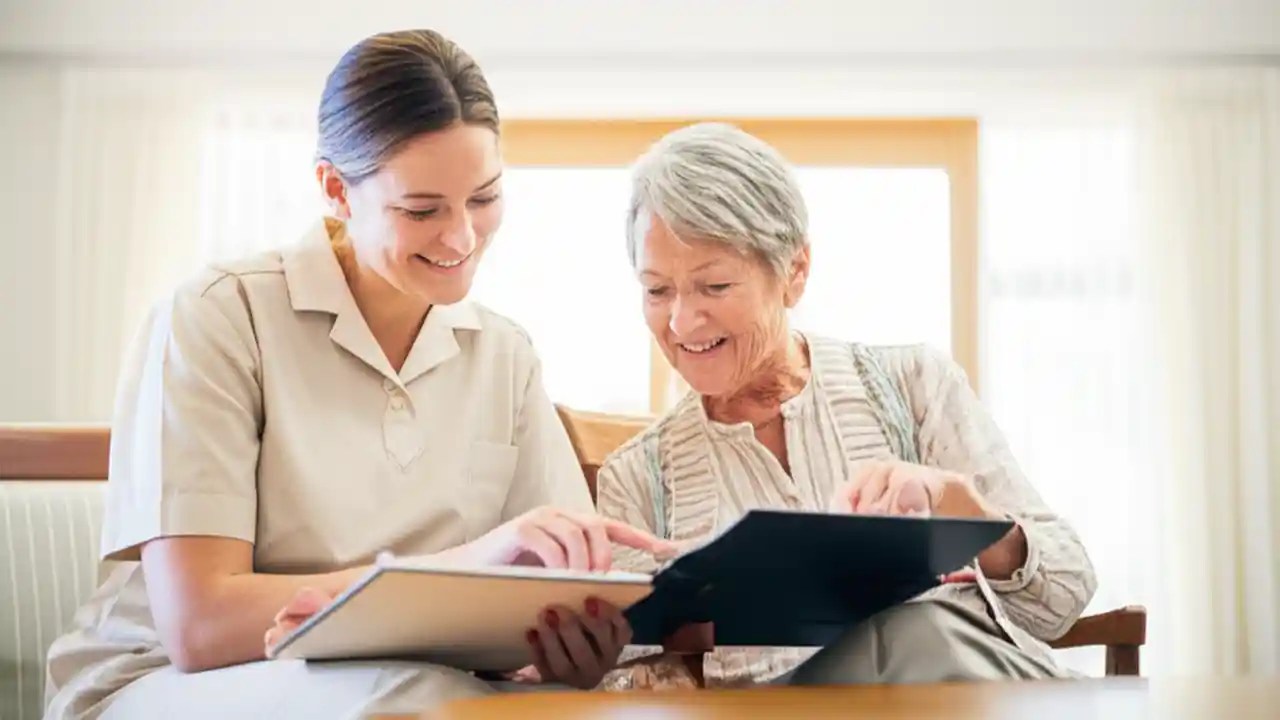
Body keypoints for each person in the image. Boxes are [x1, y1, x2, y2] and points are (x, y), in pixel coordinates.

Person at [43, 29, 673, 720]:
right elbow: (201, 625)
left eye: (484, 197)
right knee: (414, 702)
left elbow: (543, 599)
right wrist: (473, 563)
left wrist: (569, 646)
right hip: (161, 681)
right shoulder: (221, 315)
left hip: (411, 677)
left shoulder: (505, 354)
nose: (461, 237)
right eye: (422, 210)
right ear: (335, 189)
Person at [594, 122, 1100, 690]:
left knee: (919, 632)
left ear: (795, 272)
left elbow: (1066, 594)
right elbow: (625, 680)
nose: (682, 322)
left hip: (962, 696)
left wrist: (973, 518)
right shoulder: (637, 477)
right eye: (657, 290)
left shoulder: (915, 386)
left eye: (713, 287)